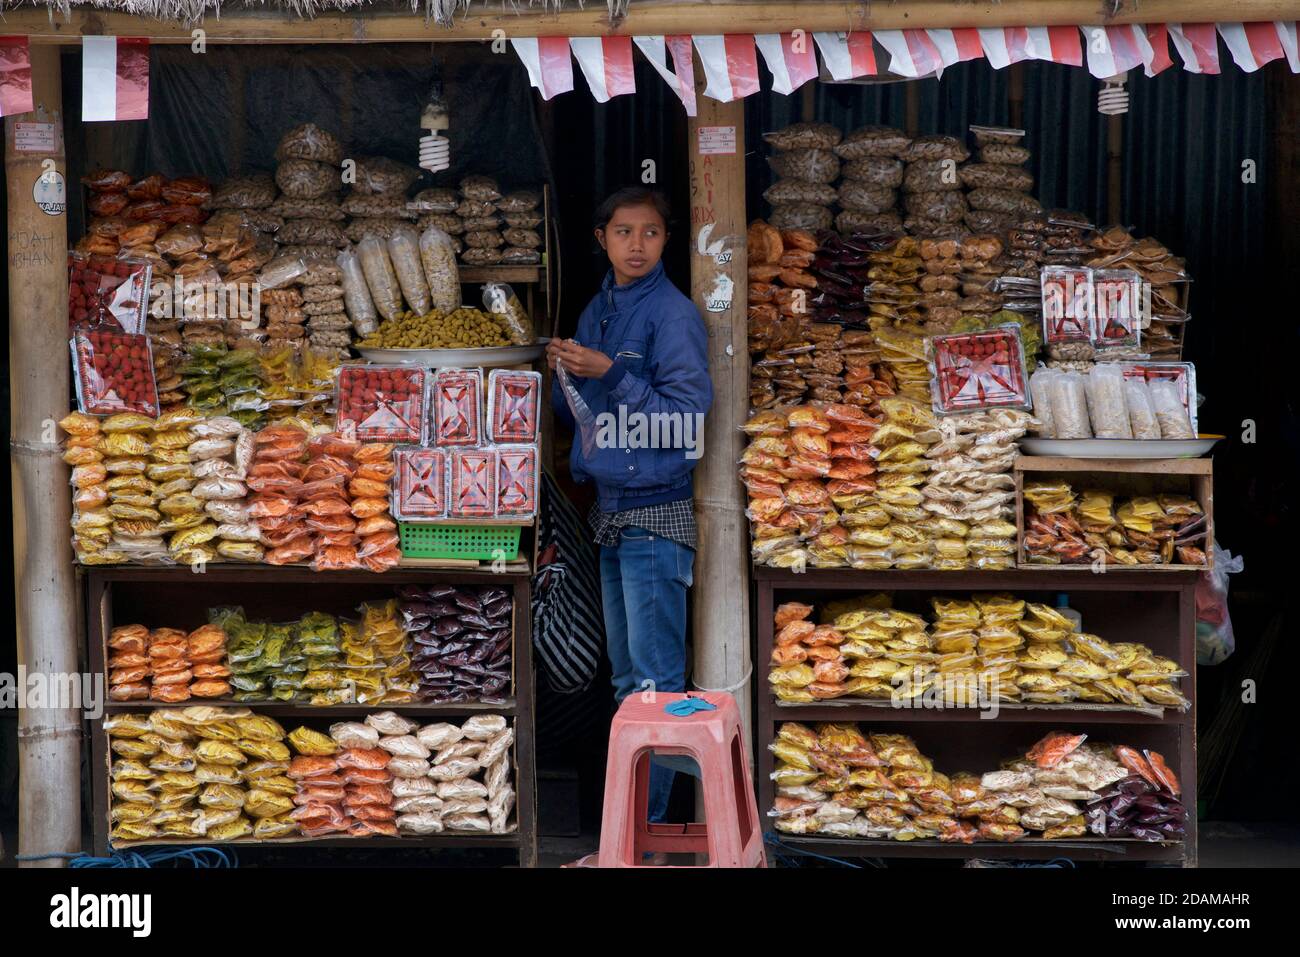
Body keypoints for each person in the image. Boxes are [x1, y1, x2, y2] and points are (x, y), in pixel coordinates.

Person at [547, 187, 713, 825]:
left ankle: (649, 834)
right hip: (611, 513)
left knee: (654, 686)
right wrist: (564, 374)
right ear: (602, 238)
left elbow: (686, 418)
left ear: (666, 240)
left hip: (655, 514)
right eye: (623, 232)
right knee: (626, 686)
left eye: (649, 232)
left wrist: (610, 372)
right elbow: (580, 417)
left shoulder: (672, 316)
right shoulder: (599, 310)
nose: (636, 244)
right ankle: (631, 830)